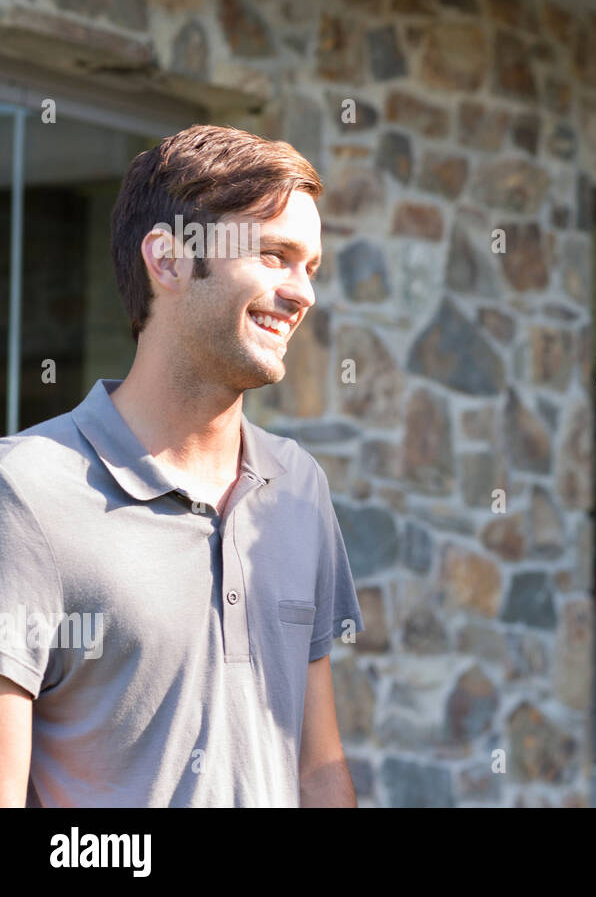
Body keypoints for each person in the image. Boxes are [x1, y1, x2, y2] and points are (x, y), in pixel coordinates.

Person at [0, 125, 363, 807]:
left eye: (310, 266)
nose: (302, 292)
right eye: (274, 255)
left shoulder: (298, 490)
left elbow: (317, 768)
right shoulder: (25, 492)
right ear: (166, 260)